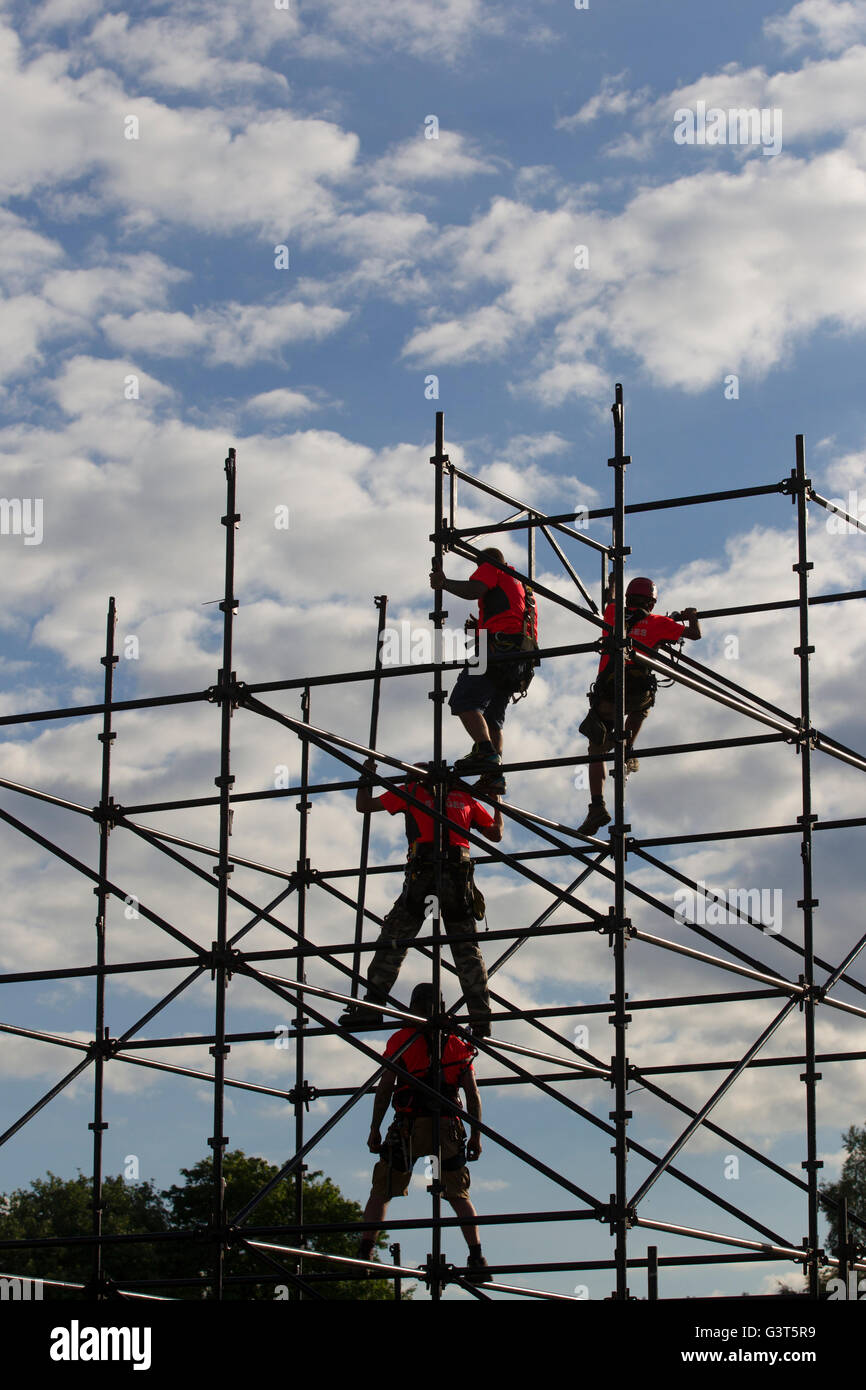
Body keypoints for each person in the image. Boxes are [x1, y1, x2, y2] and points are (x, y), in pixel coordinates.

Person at [339, 761, 503, 1036]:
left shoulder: (412, 791)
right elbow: (496, 834)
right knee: (466, 951)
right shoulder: (462, 797)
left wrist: (366, 776)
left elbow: (364, 805)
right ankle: (480, 1018)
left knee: (394, 941)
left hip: (423, 877)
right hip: (456, 880)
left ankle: (371, 1008)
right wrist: (496, 799)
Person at [358, 982, 489, 1283]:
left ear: (413, 1006)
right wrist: (477, 1135)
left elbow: (386, 1087)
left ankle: (364, 1255)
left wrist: (375, 1126)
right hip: (447, 1127)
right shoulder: (457, 1042)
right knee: (458, 1194)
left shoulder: (402, 1039)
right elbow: (472, 1094)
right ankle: (477, 1257)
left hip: (408, 1125)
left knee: (382, 1189)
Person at [577, 577, 701, 836]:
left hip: (608, 692)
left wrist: (612, 583)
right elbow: (694, 634)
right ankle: (628, 750)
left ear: (627, 598)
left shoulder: (612, 614)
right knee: (643, 703)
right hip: (636, 692)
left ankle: (597, 805)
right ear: (652, 602)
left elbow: (609, 599)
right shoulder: (658, 623)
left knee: (596, 752)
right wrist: (692, 616)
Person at [429, 547, 538, 795]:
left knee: (464, 700)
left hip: (497, 651)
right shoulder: (520, 584)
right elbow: (511, 616)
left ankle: (486, 753)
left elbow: (474, 590)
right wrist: (481, 627)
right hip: (520, 658)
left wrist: (443, 582)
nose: (478, 574)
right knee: (492, 719)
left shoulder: (491, 568)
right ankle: (494, 776)